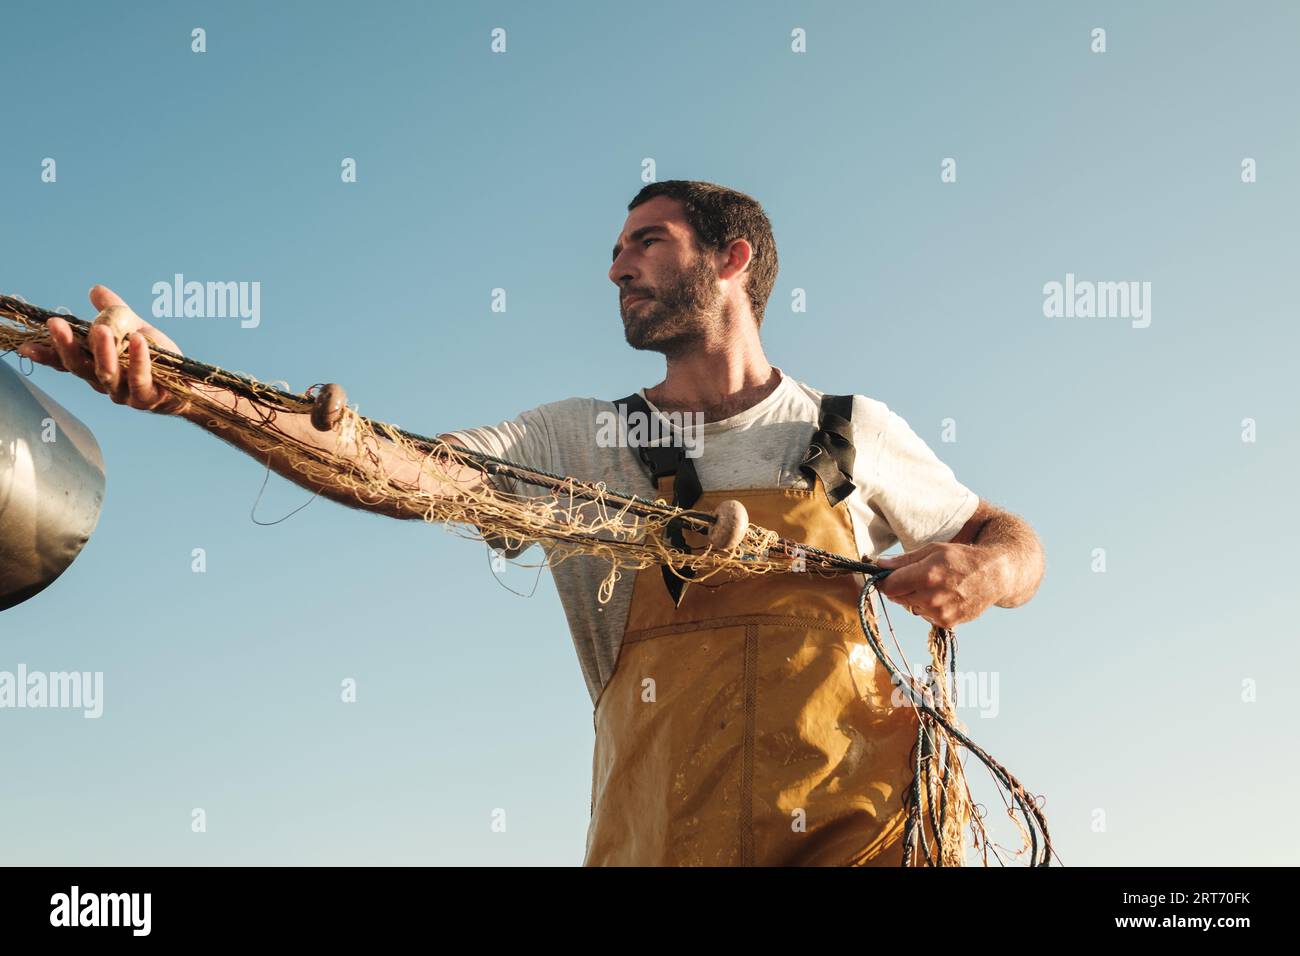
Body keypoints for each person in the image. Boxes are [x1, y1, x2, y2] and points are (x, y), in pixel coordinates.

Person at [20, 180, 1044, 866]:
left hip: (863, 844)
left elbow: (1012, 538)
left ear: (733, 258)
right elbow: (399, 468)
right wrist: (191, 390)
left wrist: (984, 572)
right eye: (612, 250)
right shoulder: (580, 439)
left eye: (645, 240)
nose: (614, 267)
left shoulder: (850, 429)